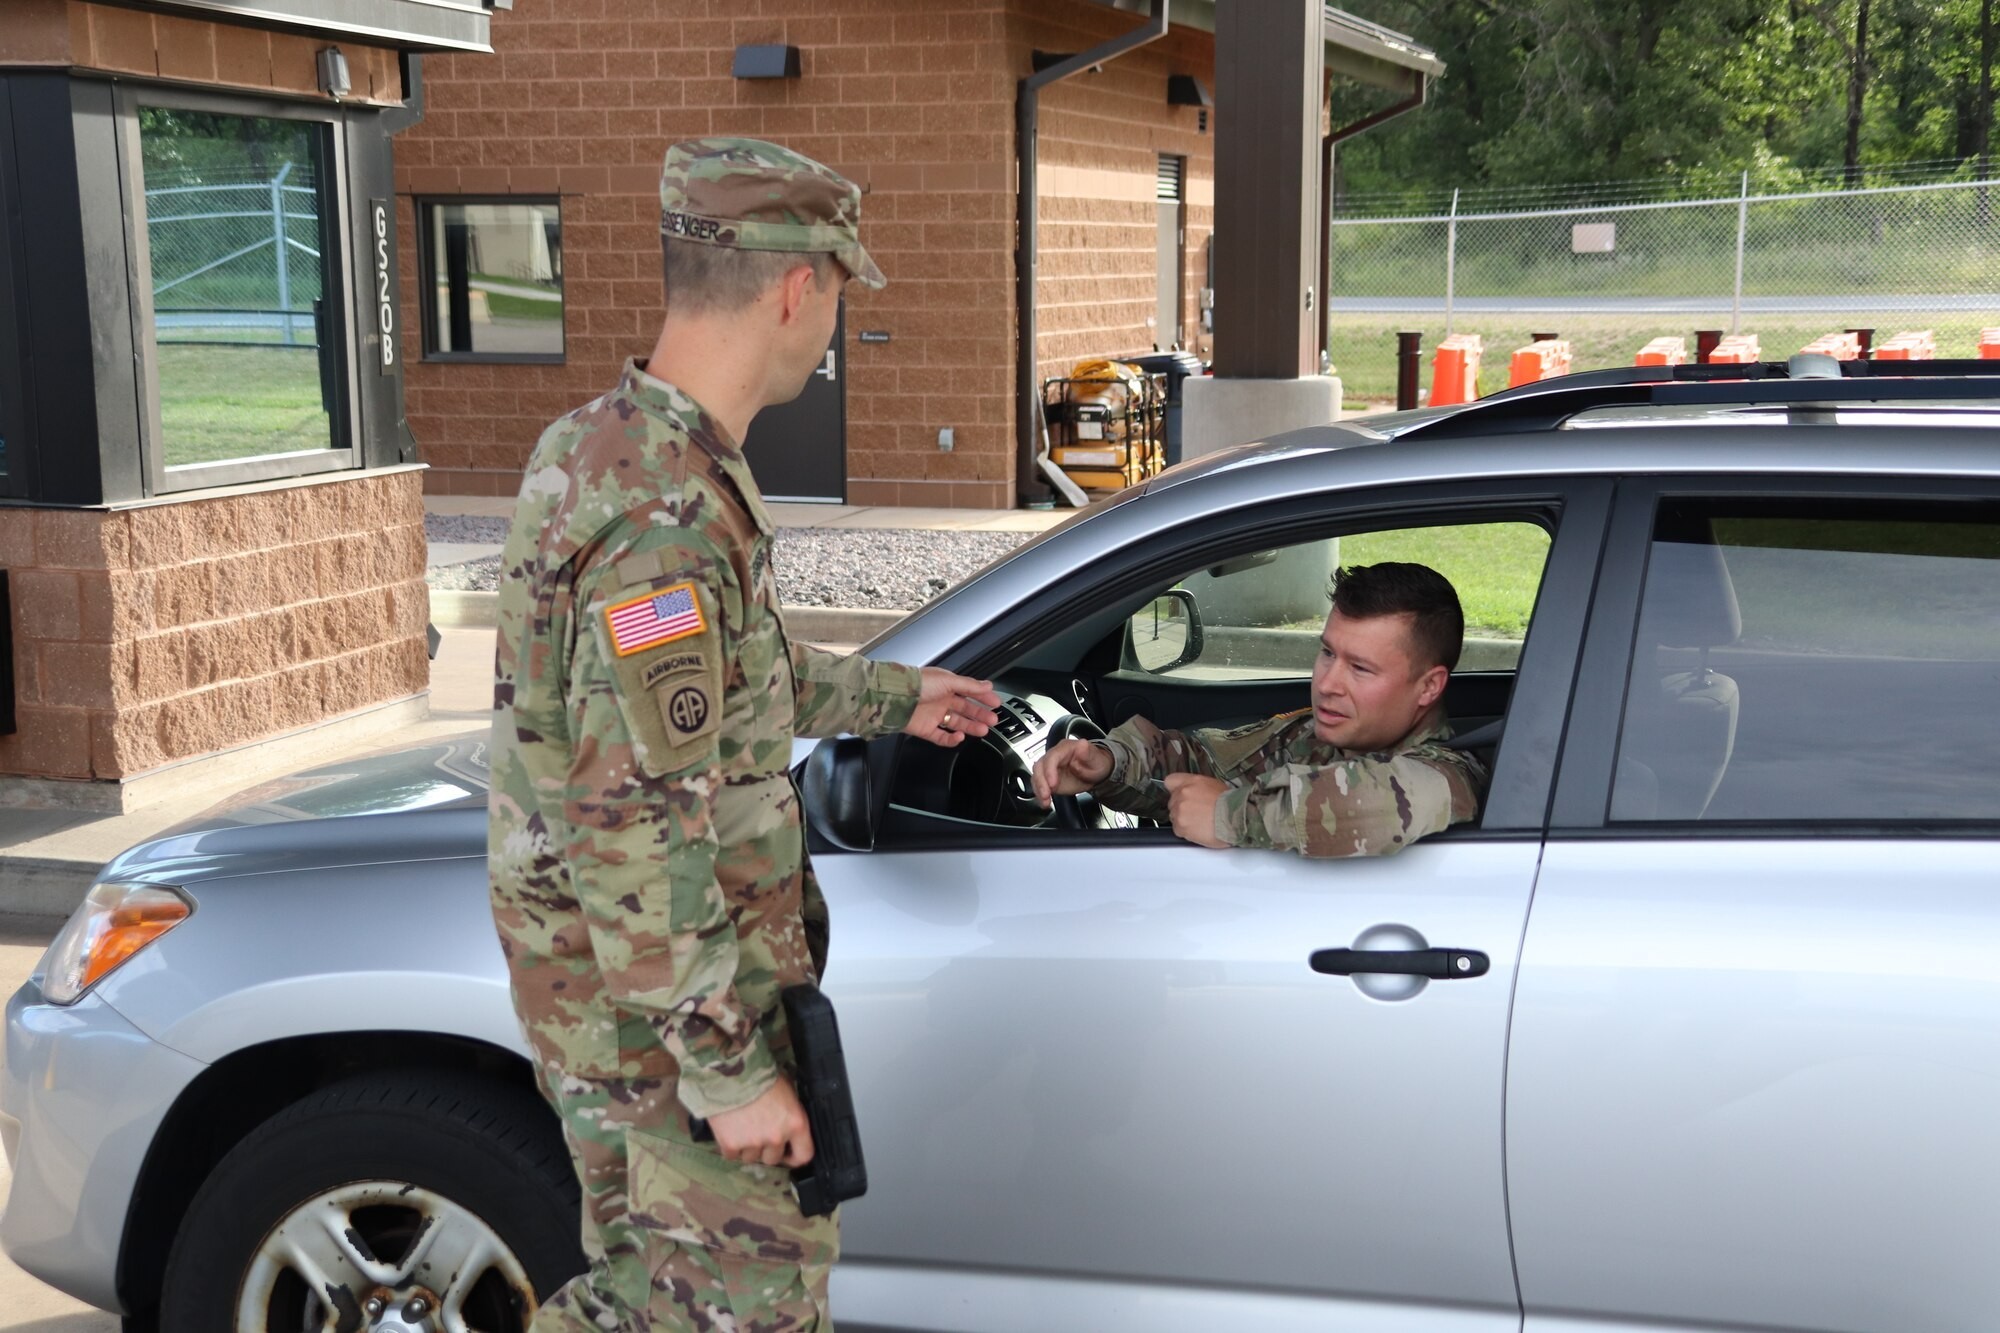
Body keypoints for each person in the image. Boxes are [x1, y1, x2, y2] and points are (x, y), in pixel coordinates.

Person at [487, 137, 1001, 1331]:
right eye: (836, 291)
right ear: (795, 287)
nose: (829, 324)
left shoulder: (605, 445)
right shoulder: (663, 515)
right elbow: (629, 825)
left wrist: (893, 699)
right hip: (667, 1018)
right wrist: (728, 1065)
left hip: (624, 1002)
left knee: (643, 1294)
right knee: (745, 1304)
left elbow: (716, 692)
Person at [1031, 562, 1487, 856]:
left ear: (1429, 687)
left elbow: (1384, 803)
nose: (1327, 684)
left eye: (1361, 669)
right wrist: (1108, 764)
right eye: (1327, 653)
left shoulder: (1448, 776)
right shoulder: (1312, 737)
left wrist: (1231, 816)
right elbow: (1205, 760)